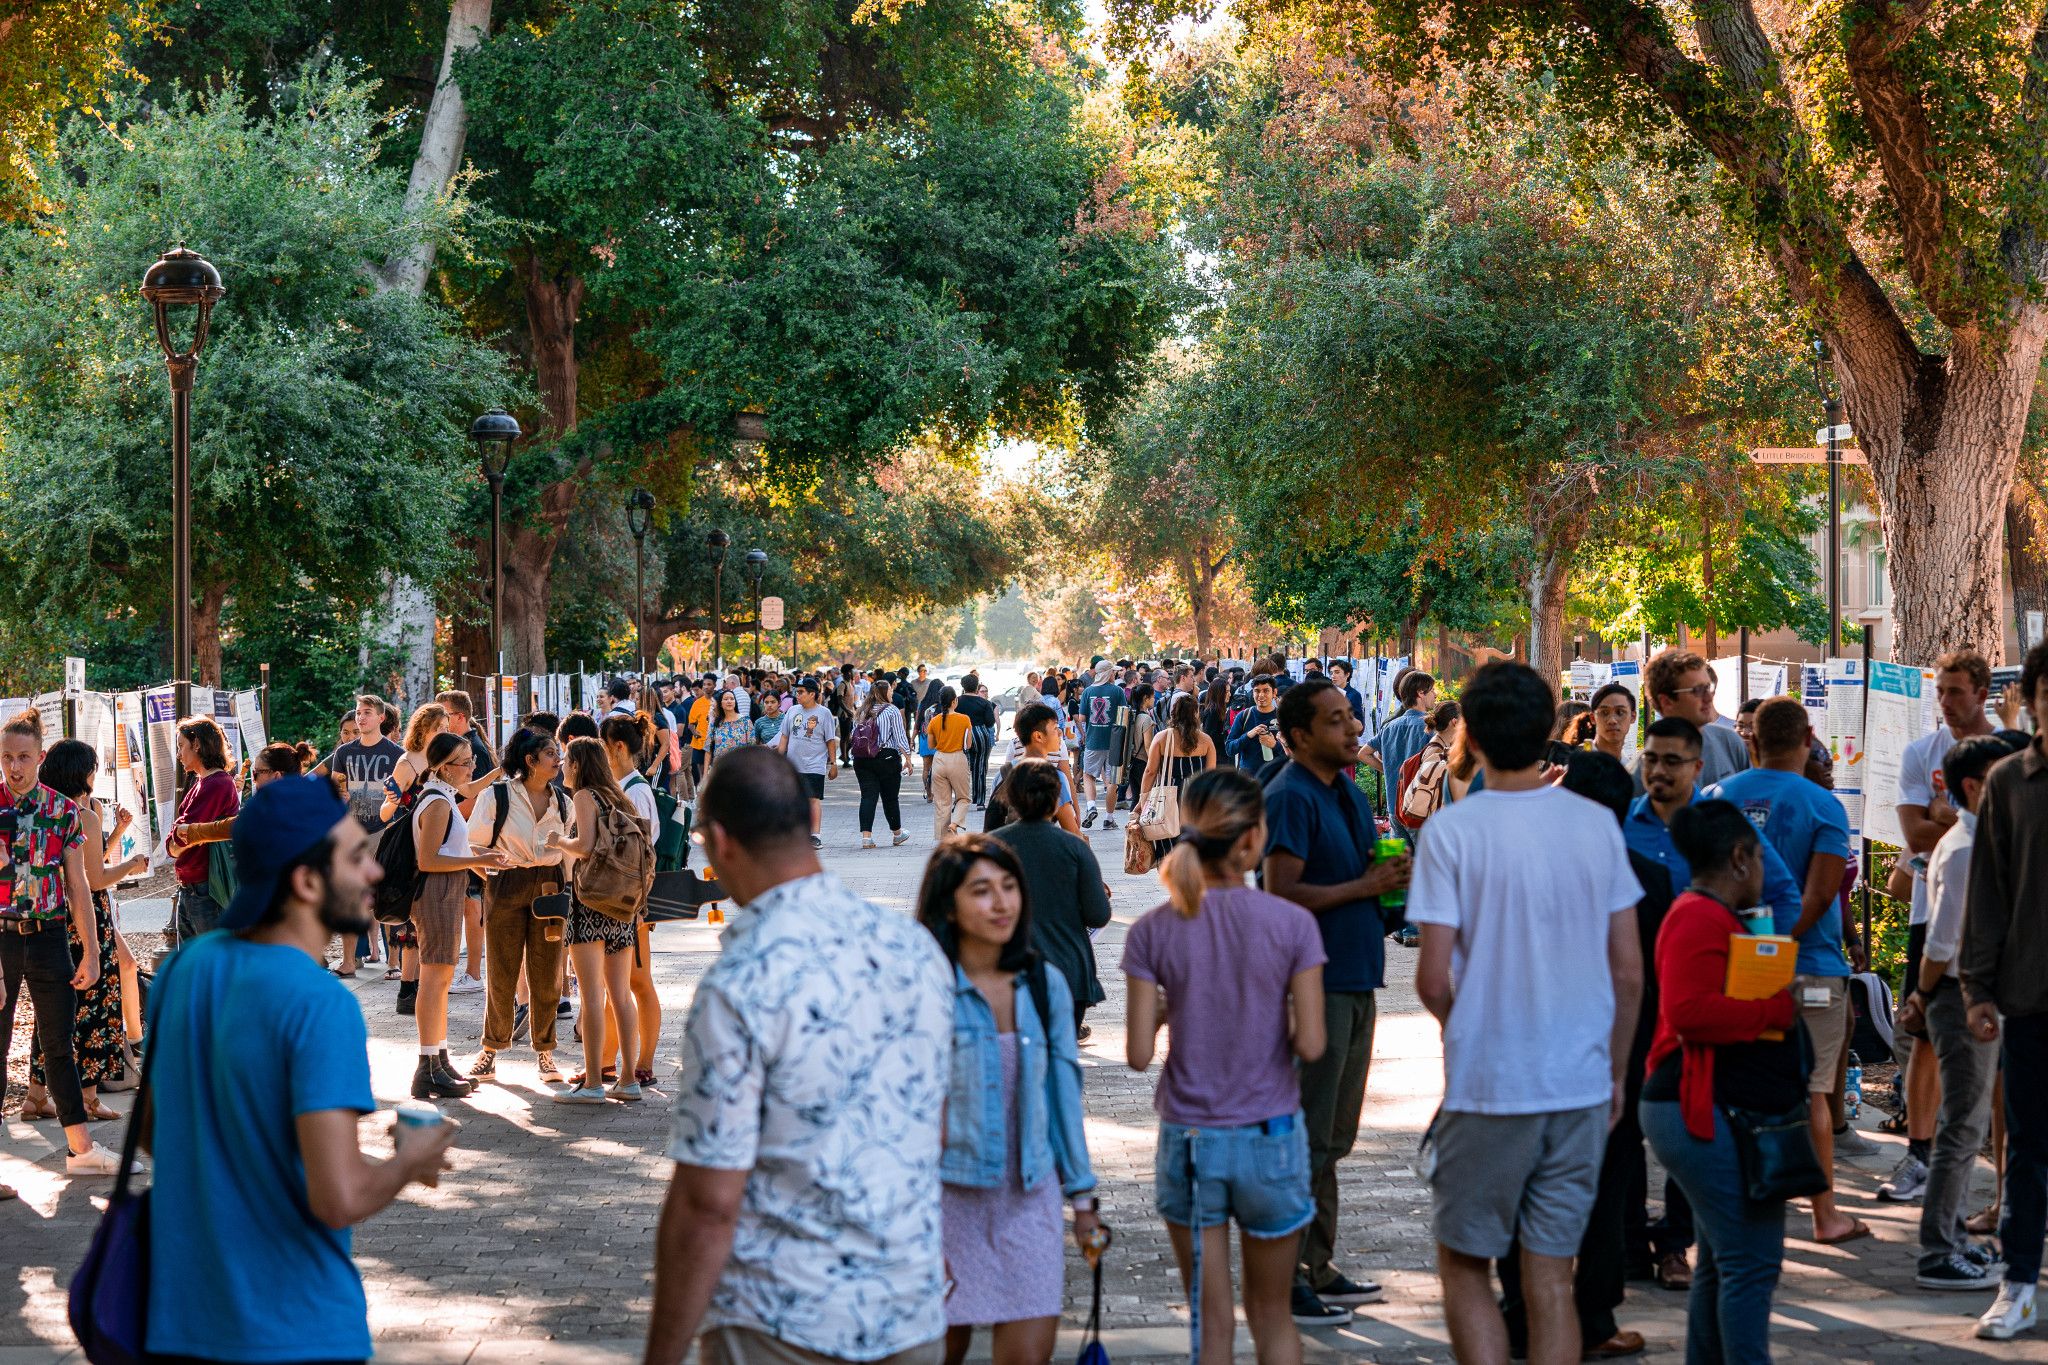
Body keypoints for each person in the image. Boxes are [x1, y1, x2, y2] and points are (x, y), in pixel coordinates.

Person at [643, 748, 954, 1365]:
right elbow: (938, 1124)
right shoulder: (913, 947)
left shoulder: (740, 983)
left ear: (721, 842)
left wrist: (663, 1352)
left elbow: (709, 1198)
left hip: (780, 1320)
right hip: (909, 1308)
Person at [143, 773, 458, 1363]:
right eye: (358, 856)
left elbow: (153, 1134)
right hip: (295, 1326)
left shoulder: (182, 971)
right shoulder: (320, 1002)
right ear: (307, 881)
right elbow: (338, 1198)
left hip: (178, 1321)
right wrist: (407, 1162)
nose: (375, 873)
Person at [1407, 662, 1643, 1365]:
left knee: (1465, 1263)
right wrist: (1617, 1075)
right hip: (1579, 1082)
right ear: (1551, 730)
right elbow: (1628, 972)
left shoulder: (1453, 832)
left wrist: (1471, 1022)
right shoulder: (1595, 825)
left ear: (1468, 735)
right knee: (1550, 1275)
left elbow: (1430, 977)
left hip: (1489, 1085)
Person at [1124, 766, 1328, 1365]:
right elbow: (1312, 1045)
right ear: (1252, 839)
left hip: (1189, 1141)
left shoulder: (1152, 930)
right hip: (1271, 1138)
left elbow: (1138, 1056)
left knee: (1210, 1323)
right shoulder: (1293, 925)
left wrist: (1165, 1013)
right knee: (1272, 1316)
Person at [1495, 749, 1670, 1362]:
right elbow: (1641, 978)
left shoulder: (1524, 869)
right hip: (1618, 1056)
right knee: (1604, 1188)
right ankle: (1593, 1317)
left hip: (1532, 1049)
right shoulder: (1647, 876)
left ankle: (1518, 1315)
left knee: (1523, 1184)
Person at [1624, 715, 1805, 1281]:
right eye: (1650, 758)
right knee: (1629, 1121)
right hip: (1633, 998)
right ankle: (1629, 1243)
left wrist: (1753, 962)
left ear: (1698, 768)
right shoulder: (1622, 826)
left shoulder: (1722, 829)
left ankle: (1678, 1242)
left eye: (1671, 760)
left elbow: (1779, 895)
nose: (1658, 770)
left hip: (1705, 1003)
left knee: (1696, 1112)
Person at [1260, 676, 1410, 1324]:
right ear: (1298, 736)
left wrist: (1387, 888)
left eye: (1351, 717)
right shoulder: (1289, 795)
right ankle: (1286, 1275)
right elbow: (1280, 891)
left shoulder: (1347, 789)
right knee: (1308, 1135)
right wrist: (1364, 884)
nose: (1352, 729)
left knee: (1335, 1136)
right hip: (1314, 982)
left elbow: (1362, 879)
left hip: (1357, 973)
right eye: (1334, 720)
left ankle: (1318, 1265)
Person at [916, 835, 1098, 1365]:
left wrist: (1084, 1203)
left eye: (1009, 887)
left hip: (1029, 1197)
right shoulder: (922, 987)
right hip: (942, 1204)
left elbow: (1066, 1098)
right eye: (981, 891)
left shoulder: (1044, 984)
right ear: (948, 903)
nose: (1001, 903)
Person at [1638, 800, 1805, 1365]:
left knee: (1721, 1261)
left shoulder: (1704, 913)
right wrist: (1775, 1011)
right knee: (1750, 1265)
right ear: (1740, 858)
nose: (1764, 870)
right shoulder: (1698, 916)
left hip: (1703, 1101)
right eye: (1760, 858)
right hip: (1694, 1102)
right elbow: (1689, 1013)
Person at [1703, 698, 1863, 1246]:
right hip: (1812, 968)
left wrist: (1752, 953)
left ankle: (1741, 1206)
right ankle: (1826, 1215)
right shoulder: (1824, 806)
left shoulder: (1716, 799)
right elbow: (1821, 896)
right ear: (1808, 737)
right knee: (1814, 1091)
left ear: (1752, 740)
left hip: (1736, 969)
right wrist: (1784, 946)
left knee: (1739, 1088)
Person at [1894, 734, 2013, 1292]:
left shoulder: (1977, 838)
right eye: (2000, 775)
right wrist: (1923, 992)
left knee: (1963, 1128)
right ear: (1974, 786)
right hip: (1959, 995)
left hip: (1960, 993)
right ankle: (1938, 1251)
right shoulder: (1965, 848)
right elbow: (1943, 942)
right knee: (1962, 1129)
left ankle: (1953, 1241)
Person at [1963, 639, 2048, 1340]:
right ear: (2034, 703)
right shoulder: (2011, 783)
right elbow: (1986, 894)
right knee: (2028, 1148)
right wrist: (1976, 987)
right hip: (2033, 996)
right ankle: (2019, 1282)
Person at [1891, 650, 1997, 1199]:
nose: (1947, 702)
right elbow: (1914, 837)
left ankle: (2006, 1183)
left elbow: (2010, 834)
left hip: (1998, 915)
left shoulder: (2006, 750)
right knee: (1924, 1035)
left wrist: (1947, 816)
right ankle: (1918, 1156)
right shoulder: (1921, 751)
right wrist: (1963, 822)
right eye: (1941, 691)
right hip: (1930, 910)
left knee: (1999, 1045)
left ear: (1982, 693)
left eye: (1957, 691)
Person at [21, 740, 144, 1125]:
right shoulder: (83, 813)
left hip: (53, 917)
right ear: (82, 772)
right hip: (86, 918)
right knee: (93, 1007)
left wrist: (115, 832)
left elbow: (84, 861)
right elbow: (95, 880)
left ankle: (36, 1095)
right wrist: (132, 866)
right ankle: (89, 1098)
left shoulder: (43, 808)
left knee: (52, 1009)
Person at [464, 728, 570, 1088]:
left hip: (550, 884)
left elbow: (569, 854)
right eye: (551, 754)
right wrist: (489, 876)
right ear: (530, 761)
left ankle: (545, 1051)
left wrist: (568, 891)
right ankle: (491, 1051)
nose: (558, 760)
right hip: (507, 883)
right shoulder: (497, 796)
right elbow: (471, 846)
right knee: (501, 969)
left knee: (548, 970)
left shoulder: (564, 801)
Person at [546, 736, 646, 1103]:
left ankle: (591, 1084)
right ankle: (628, 1079)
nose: (562, 766)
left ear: (579, 764)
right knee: (620, 995)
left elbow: (585, 846)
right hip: (620, 905)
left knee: (590, 996)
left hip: (589, 902)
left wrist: (559, 840)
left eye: (566, 759)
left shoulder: (585, 796)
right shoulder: (618, 794)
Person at [406, 732, 506, 1100]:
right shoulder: (436, 802)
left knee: (442, 979)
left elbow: (474, 787)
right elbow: (428, 860)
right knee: (434, 980)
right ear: (444, 767)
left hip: (447, 891)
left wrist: (498, 770)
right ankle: (427, 1065)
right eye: (465, 761)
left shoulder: (445, 793)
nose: (471, 766)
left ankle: (439, 1058)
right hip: (435, 893)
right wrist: (480, 860)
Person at [989, 761, 1112, 1041]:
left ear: (1012, 796)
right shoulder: (1075, 848)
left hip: (1008, 969)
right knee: (1059, 1055)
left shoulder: (991, 848)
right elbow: (1098, 914)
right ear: (1056, 799)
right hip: (1069, 970)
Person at [605, 712, 666, 1092]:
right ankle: (608, 1061)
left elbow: (641, 850)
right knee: (617, 984)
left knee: (638, 982)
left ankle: (643, 1063)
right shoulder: (621, 784)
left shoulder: (636, 789)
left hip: (634, 899)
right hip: (622, 898)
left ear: (618, 747)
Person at [168, 715, 239, 942]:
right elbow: (180, 832)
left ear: (196, 744)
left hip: (208, 889)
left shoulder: (216, 783)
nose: (178, 753)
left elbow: (183, 837)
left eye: (181, 746)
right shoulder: (202, 782)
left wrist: (175, 841)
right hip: (194, 887)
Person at [1643, 650, 1747, 787]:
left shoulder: (1730, 743)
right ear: (1666, 702)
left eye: (1708, 687)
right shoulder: (1643, 776)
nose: (1709, 697)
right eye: (1697, 690)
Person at [774, 676, 838, 850]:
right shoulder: (792, 711)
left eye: (801, 692)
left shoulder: (824, 713)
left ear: (812, 694)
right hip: (793, 764)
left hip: (814, 764)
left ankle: (815, 835)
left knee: (813, 799)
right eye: (797, 691)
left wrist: (833, 764)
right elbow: (785, 736)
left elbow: (830, 740)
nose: (797, 695)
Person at [850, 684, 913, 849]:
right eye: (890, 691)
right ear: (885, 693)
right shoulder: (891, 710)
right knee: (890, 798)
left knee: (867, 797)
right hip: (887, 758)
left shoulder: (861, 710)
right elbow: (900, 735)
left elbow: (853, 736)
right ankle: (897, 834)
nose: (892, 693)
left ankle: (866, 838)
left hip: (861, 760)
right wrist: (908, 758)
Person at [1079, 667, 1129, 829]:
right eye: (1113, 672)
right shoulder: (1117, 691)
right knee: (1113, 780)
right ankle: (1109, 818)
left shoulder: (1087, 691)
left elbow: (1081, 717)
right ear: (1108, 673)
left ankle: (1091, 806)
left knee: (1088, 775)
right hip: (1114, 742)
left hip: (1093, 741)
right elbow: (1124, 715)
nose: (1114, 675)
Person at [1366, 670, 1436, 784]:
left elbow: (1363, 753)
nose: (1435, 694)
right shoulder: (1431, 727)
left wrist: (1390, 771)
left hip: (1394, 798)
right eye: (1432, 690)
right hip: (1421, 797)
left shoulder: (1389, 726)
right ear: (1420, 693)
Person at [927, 686, 974, 839]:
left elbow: (930, 745)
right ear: (955, 701)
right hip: (957, 758)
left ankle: (944, 839)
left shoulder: (934, 721)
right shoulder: (964, 719)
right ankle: (954, 824)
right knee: (963, 797)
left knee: (941, 802)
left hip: (939, 760)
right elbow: (968, 744)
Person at [1224, 674, 1284, 773]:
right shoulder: (1244, 716)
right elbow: (1229, 749)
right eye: (1257, 691)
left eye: (1266, 690)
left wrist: (1274, 745)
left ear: (1274, 693)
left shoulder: (1284, 717)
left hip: (1275, 777)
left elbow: (1294, 752)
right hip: (1248, 779)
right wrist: (1248, 735)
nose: (1261, 695)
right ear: (1252, 693)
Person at [958, 674, 1000, 809]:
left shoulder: (957, 701)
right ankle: (980, 801)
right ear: (976, 687)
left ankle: (961, 799)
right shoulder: (985, 703)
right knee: (980, 767)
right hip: (981, 734)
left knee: (962, 768)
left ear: (963, 686)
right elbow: (990, 722)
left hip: (962, 735)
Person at [1588, 682, 1636, 767]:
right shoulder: (1576, 766)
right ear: (1593, 718)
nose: (1612, 720)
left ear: (1633, 717)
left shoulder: (1631, 770)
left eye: (1620, 712)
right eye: (1604, 713)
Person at [707, 689, 754, 766]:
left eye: (732, 699)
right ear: (721, 704)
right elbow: (708, 749)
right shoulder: (715, 723)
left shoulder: (745, 721)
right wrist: (705, 774)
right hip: (720, 767)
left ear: (735, 702)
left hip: (741, 766)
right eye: (726, 699)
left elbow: (752, 747)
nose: (729, 701)